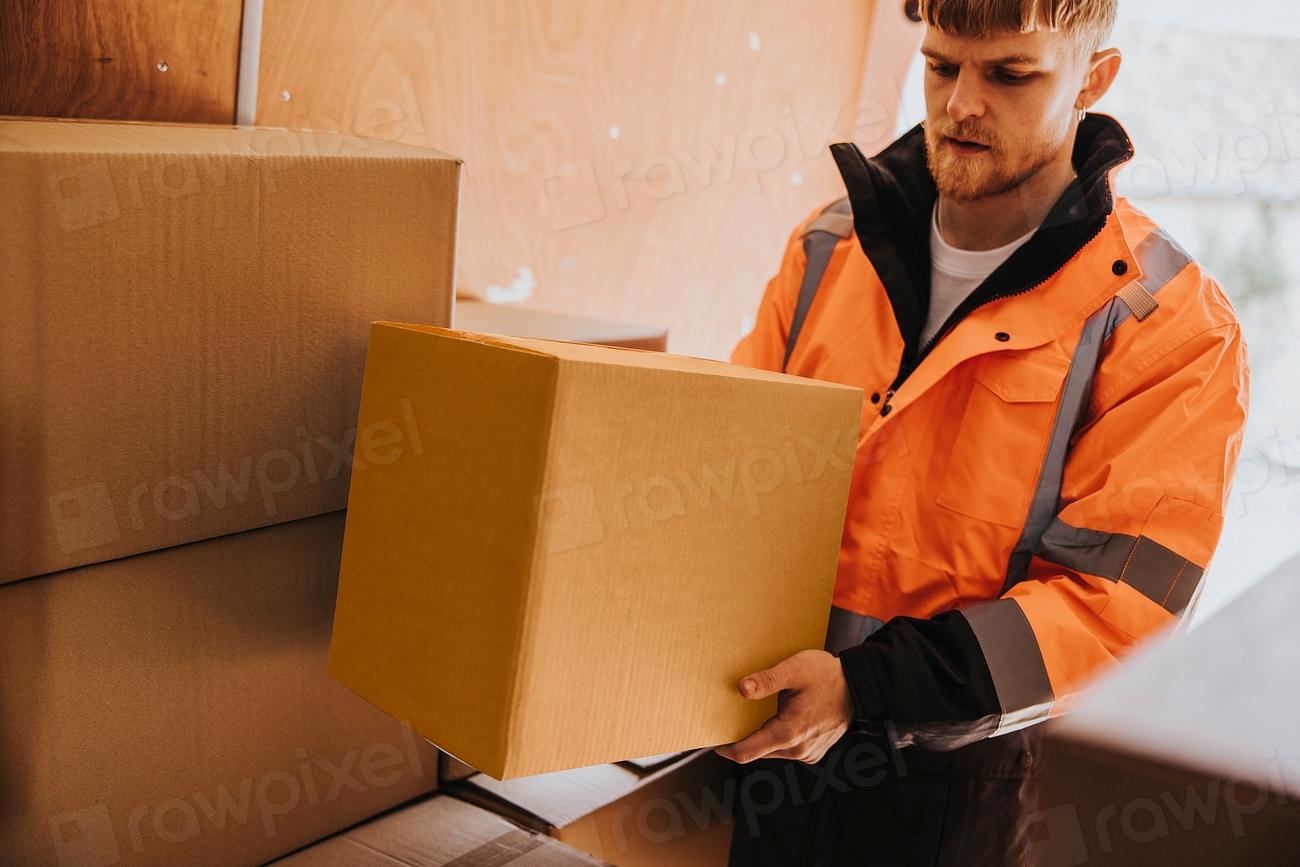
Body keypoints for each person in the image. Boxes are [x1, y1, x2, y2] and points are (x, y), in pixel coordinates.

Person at [717, 0, 1249, 863]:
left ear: (1094, 80)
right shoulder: (828, 246)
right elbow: (725, 475)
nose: (963, 102)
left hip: (961, 795)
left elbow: (1117, 614)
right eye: (940, 66)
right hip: (764, 739)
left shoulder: (1166, 323)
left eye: (1009, 73)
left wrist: (863, 687)